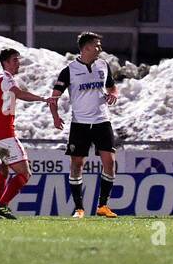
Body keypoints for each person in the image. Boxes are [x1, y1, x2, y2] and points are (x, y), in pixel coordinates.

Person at [50, 32, 120, 218]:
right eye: (97, 45)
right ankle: (79, 208)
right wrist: (55, 117)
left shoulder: (103, 65)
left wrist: (114, 94)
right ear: (86, 47)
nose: (100, 48)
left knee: (110, 162)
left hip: (102, 121)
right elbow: (54, 97)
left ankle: (102, 206)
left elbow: (112, 86)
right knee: (77, 164)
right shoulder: (69, 70)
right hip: (80, 124)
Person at [0, 48, 55, 220]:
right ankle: (2, 206)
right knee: (24, 173)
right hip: (4, 134)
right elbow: (19, 93)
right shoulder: (6, 78)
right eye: (15, 60)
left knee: (3, 172)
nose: (18, 63)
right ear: (5, 63)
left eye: (18, 59)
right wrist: (42, 99)